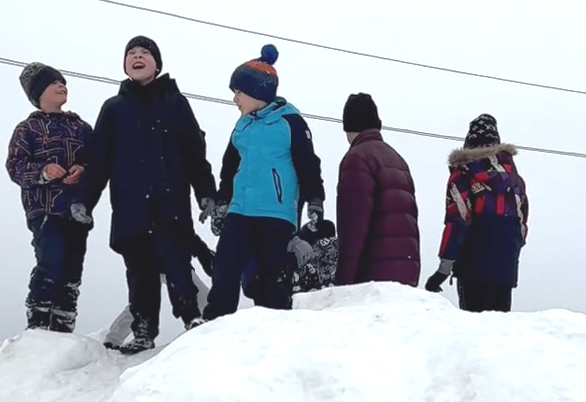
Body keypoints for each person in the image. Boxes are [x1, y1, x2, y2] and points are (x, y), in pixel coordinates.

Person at [78, 35, 217, 353]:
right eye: (131, 53)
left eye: (145, 52)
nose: (137, 57)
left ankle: (192, 317)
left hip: (170, 202)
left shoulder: (175, 103)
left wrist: (206, 193)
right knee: (139, 271)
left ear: (157, 63)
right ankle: (143, 331)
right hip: (130, 206)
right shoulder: (113, 109)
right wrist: (85, 202)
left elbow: (195, 154)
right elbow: (99, 162)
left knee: (177, 263)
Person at [203, 45, 325, 320]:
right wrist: (222, 201)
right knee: (225, 264)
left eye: (239, 93)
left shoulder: (291, 122)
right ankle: (215, 318)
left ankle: (275, 320)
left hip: (276, 212)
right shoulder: (242, 125)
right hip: (240, 209)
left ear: (258, 93)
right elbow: (229, 169)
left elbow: (308, 164)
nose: (235, 99)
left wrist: (315, 199)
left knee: (274, 271)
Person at [5, 62, 93, 332]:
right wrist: (43, 171)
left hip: (77, 210)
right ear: (38, 93)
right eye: (53, 82)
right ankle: (39, 323)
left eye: (62, 81)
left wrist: (83, 169)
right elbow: (15, 166)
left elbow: (99, 160)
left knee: (73, 266)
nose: (61, 86)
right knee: (50, 259)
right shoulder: (27, 129)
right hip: (43, 209)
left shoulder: (81, 128)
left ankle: (64, 324)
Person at [425, 113, 529, 312]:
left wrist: (444, 269)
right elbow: (522, 227)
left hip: (472, 268)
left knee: (473, 325)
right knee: (499, 326)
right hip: (505, 270)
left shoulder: (463, 174)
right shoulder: (516, 181)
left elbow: (458, 222)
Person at [333, 93, 420, 287]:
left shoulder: (357, 158)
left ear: (349, 126)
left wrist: (344, 280)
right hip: (406, 272)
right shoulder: (397, 159)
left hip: (373, 275)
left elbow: (353, 226)